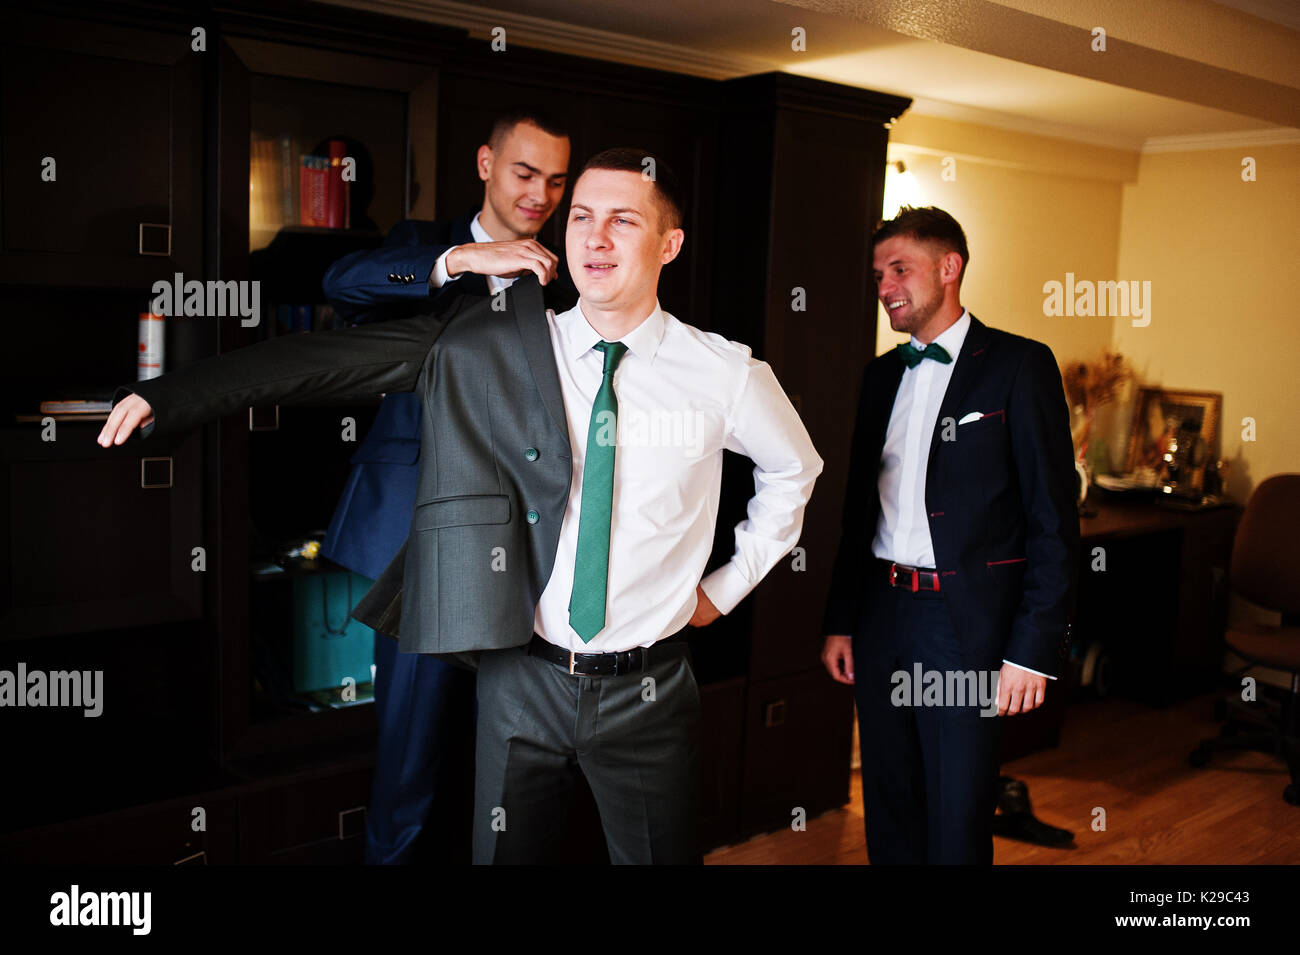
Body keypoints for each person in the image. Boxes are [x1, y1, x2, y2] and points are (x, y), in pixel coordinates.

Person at [98, 148, 823, 865]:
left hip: (652, 691)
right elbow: (325, 361)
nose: (595, 237)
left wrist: (724, 590)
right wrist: (172, 397)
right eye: (582, 217)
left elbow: (796, 468)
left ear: (670, 243)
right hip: (520, 680)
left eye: (623, 221)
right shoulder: (496, 341)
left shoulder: (725, 372)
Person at [317, 107, 576, 865]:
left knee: (502, 751)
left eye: (556, 180)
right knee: (410, 745)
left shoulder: (561, 283)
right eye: (526, 173)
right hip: (416, 545)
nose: (541, 195)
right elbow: (341, 283)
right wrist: (459, 261)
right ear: (486, 163)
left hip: (522, 550)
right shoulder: (416, 250)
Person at [819, 206, 1077, 865]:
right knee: (889, 797)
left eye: (899, 269)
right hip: (882, 613)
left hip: (960, 625)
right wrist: (843, 619)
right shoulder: (881, 374)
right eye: (878, 274)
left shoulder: (1020, 366)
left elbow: (1054, 519)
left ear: (949, 267)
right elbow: (858, 510)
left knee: (957, 813)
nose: (884, 286)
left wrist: (1032, 651)